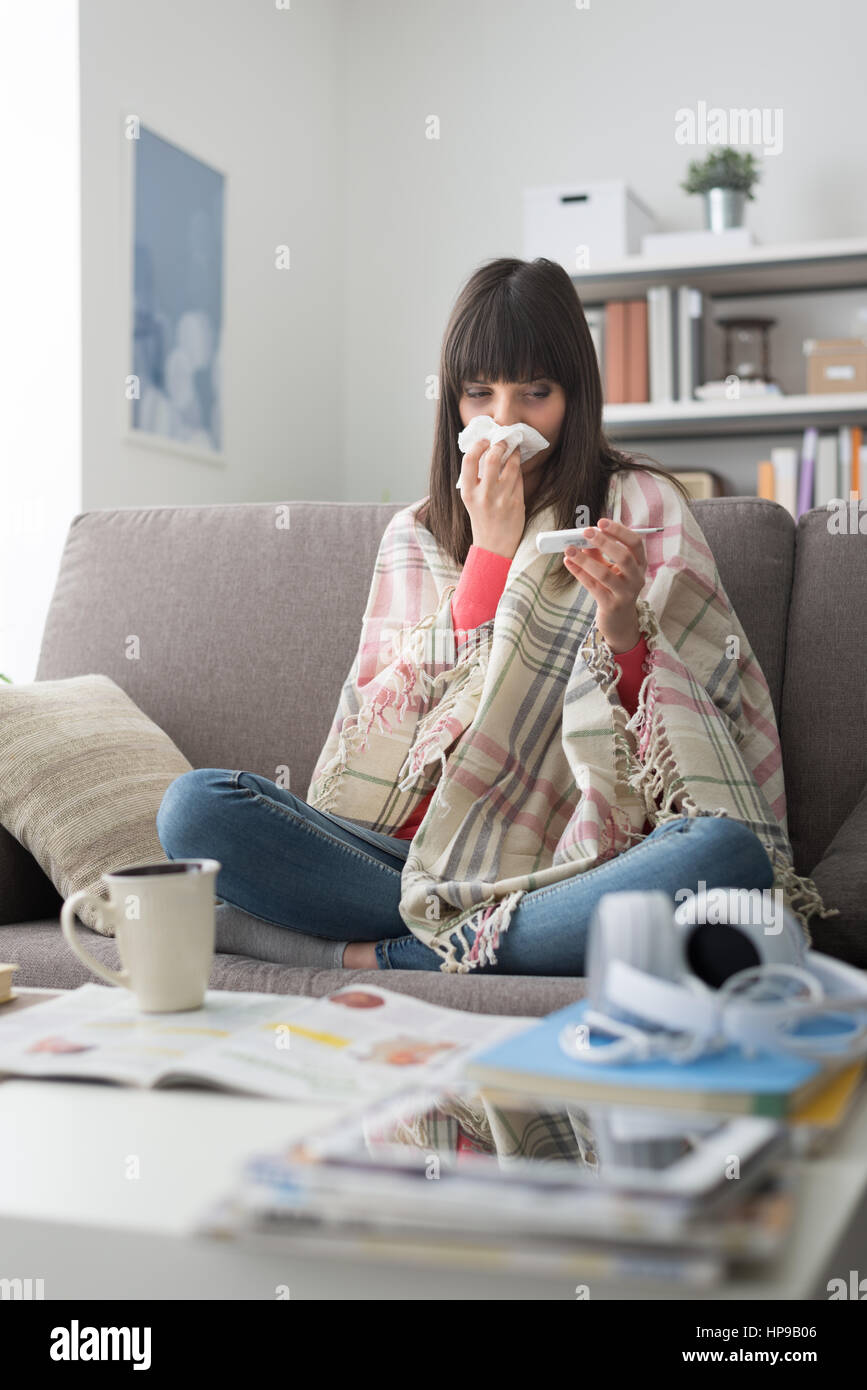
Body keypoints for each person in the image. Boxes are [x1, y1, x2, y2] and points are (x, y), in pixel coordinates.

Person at [156, 256, 794, 976]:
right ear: (449, 402)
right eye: (479, 394)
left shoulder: (642, 505)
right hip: (417, 856)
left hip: (588, 857)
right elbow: (380, 746)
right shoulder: (418, 533)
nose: (504, 422)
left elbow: (704, 724)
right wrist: (489, 558)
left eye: (536, 393)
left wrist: (622, 629)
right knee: (196, 809)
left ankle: (386, 954)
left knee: (724, 858)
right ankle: (508, 940)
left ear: (574, 396)